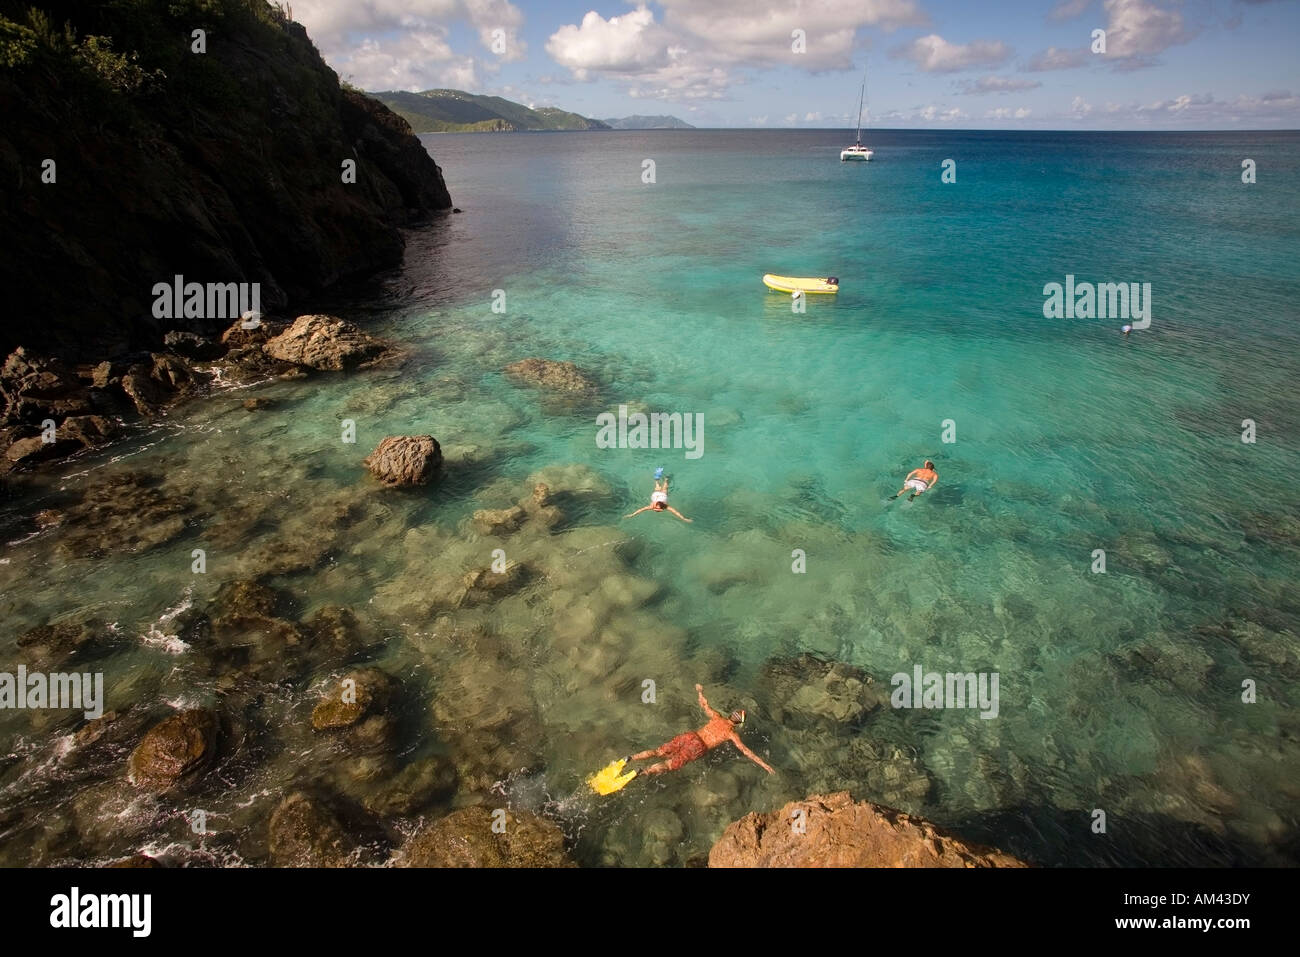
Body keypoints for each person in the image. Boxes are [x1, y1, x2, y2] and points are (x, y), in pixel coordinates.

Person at [627, 684, 774, 776]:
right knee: (668, 764)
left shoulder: (717, 717)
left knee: (659, 752)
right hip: (698, 746)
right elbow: (746, 751)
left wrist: (700, 691)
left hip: (691, 736)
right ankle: (643, 772)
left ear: (730, 715)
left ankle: (630, 758)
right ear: (739, 723)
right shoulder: (731, 733)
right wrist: (765, 765)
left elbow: (704, 704)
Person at [624, 474, 692, 522]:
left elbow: (675, 512)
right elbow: (641, 510)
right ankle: (663, 480)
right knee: (664, 487)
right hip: (660, 494)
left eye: (656, 509)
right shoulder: (663, 507)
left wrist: (683, 518)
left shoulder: (654, 506)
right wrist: (632, 514)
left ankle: (659, 480)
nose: (656, 509)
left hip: (658, 494)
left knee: (661, 487)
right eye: (657, 509)